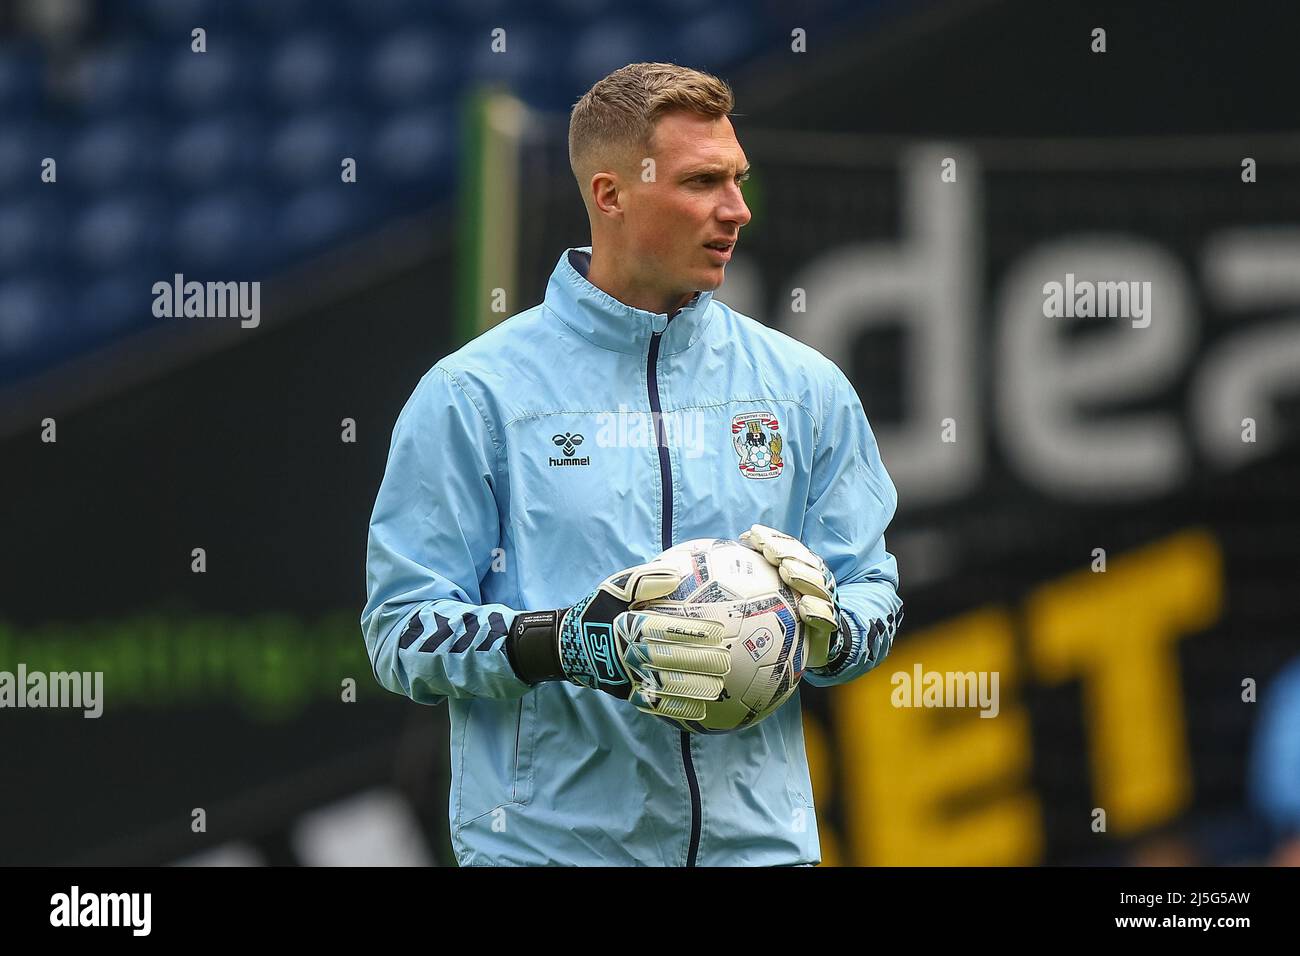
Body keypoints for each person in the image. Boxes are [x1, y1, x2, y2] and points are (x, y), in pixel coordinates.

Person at [362, 62, 903, 866]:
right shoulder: (473, 395)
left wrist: (827, 630)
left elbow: (876, 593)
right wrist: (571, 643)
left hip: (760, 852)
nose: (736, 210)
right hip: (550, 853)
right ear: (611, 195)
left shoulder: (802, 388)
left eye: (738, 180)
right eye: (702, 182)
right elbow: (400, 630)